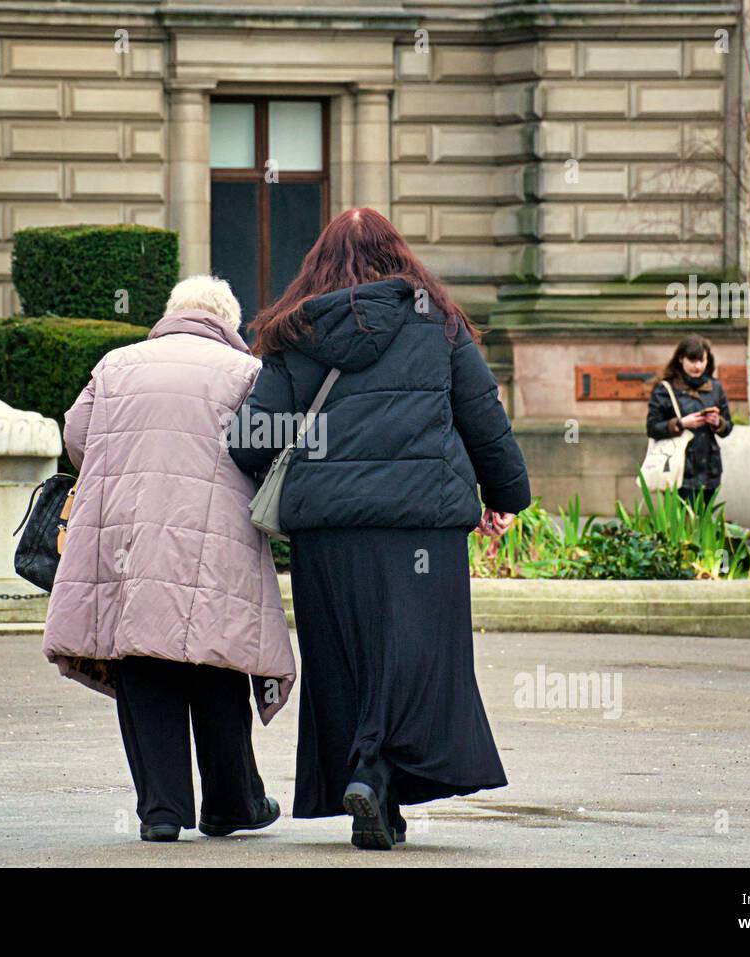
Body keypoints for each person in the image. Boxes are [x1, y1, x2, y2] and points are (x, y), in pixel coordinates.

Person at [228, 208, 532, 850]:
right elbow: (483, 417)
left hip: (330, 532)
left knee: (344, 661)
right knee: (415, 658)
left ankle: (371, 789)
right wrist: (507, 496)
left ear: (317, 262)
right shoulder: (441, 326)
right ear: (401, 257)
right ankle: (376, 778)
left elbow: (252, 441)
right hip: (423, 526)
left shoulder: (294, 332)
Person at [42, 275, 295, 843]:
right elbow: (267, 449)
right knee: (217, 660)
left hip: (129, 538)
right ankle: (233, 803)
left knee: (142, 659)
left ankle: (161, 811)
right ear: (227, 324)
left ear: (171, 314)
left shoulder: (116, 364)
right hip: (219, 539)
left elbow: (77, 436)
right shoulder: (246, 372)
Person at [646, 334, 733, 504]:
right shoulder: (665, 389)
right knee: (682, 524)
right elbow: (652, 427)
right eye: (692, 361)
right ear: (681, 359)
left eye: (702, 360)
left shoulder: (715, 387)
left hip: (709, 468)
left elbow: (728, 426)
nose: (698, 366)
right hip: (679, 469)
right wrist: (681, 423)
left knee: (703, 523)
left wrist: (717, 422)